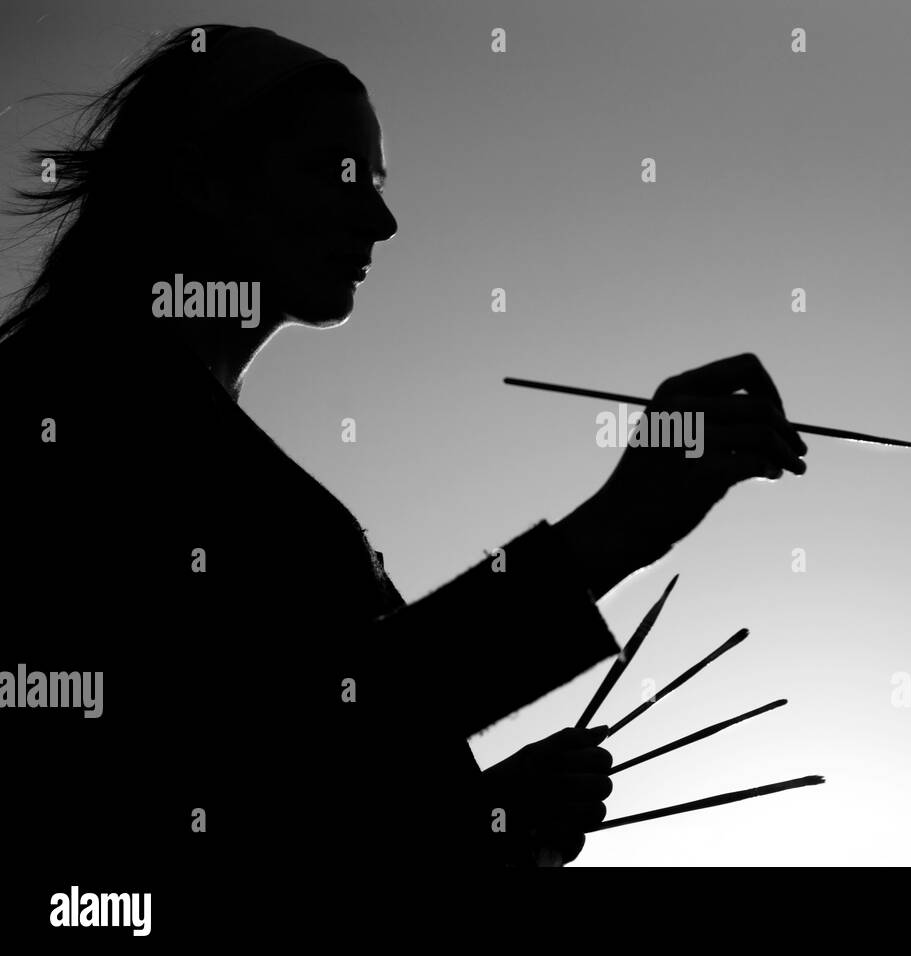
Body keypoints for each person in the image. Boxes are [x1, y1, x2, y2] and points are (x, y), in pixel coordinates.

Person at [0, 24, 808, 888]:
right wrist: (618, 526)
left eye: (376, 183)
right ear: (203, 182)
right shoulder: (81, 407)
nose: (381, 219)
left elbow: (277, 783)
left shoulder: (140, 407)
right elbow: (195, 788)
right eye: (336, 173)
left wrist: (480, 818)